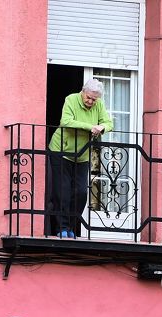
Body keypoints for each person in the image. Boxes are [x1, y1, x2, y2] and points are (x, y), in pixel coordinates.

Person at [46, 79, 113, 238]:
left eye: (94, 99)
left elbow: (108, 123)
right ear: (83, 92)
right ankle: (61, 228)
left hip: (82, 155)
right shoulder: (71, 99)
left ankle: (70, 226)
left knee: (82, 192)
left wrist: (102, 127)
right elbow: (66, 121)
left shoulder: (99, 105)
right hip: (61, 151)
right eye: (88, 97)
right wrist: (91, 127)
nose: (90, 102)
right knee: (62, 191)